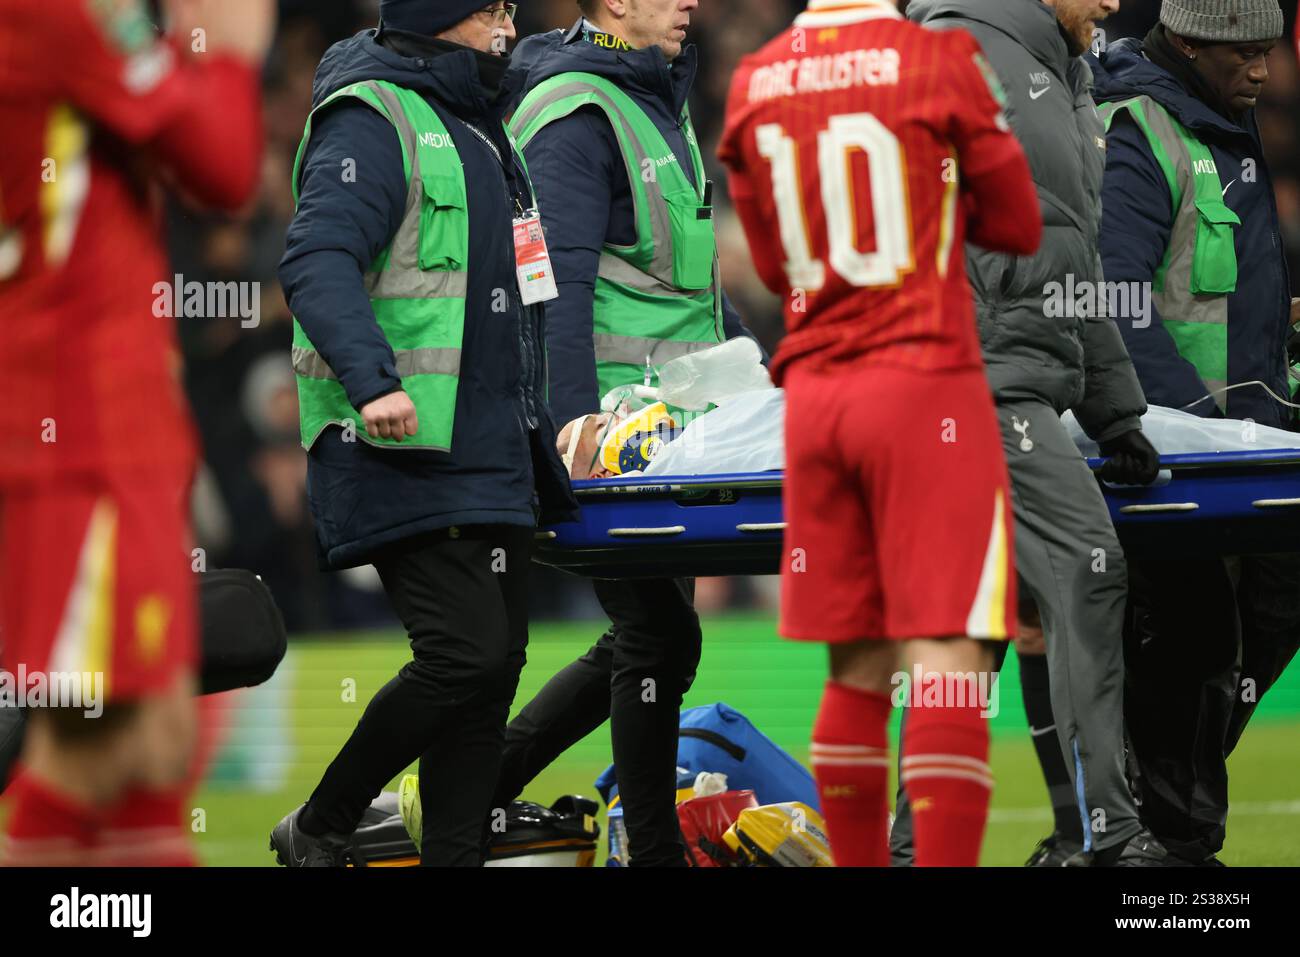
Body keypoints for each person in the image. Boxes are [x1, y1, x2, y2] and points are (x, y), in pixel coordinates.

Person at [720, 0, 1042, 866]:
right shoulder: (935, 60)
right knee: (945, 658)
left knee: (856, 668)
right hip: (923, 389)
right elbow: (1018, 224)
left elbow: (774, 259)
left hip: (817, 398)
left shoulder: (755, 79)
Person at [269, 0, 577, 867]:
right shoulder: (374, 117)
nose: (508, 29)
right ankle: (323, 822)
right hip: (403, 444)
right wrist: (372, 384)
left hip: (491, 448)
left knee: (491, 675)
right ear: (443, 18)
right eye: (491, 11)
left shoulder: (481, 128)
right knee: (466, 657)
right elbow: (317, 258)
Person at [487, 0, 761, 867]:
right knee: (659, 637)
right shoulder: (579, 110)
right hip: (612, 432)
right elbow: (553, 290)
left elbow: (676, 294)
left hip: (664, 430)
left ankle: (483, 789)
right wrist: (572, 430)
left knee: (653, 638)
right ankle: (649, 848)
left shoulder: (643, 96)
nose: (691, 2)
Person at [0, 0, 273, 866]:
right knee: (88, 757)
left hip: (119, 432)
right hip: (73, 440)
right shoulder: (50, 11)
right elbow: (223, 164)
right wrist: (231, 49)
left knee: (149, 759)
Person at [897, 0, 1169, 867]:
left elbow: (1071, 265)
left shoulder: (1066, 71)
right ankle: (1111, 835)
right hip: (972, 383)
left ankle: (915, 848)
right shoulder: (956, 47)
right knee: (1089, 572)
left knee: (973, 619)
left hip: (1008, 385)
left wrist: (1115, 410)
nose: (1116, 4)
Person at [1092, 0, 1299, 866]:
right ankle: (1173, 842)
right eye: (1244, 54)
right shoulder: (1139, 137)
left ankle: (1163, 807)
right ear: (1187, 42)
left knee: (1269, 607)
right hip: (1181, 453)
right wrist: (1189, 431)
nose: (1265, 72)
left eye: (1271, 51)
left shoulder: (1223, 130)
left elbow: (1211, 301)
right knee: (1200, 634)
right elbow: (1113, 299)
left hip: (1253, 449)